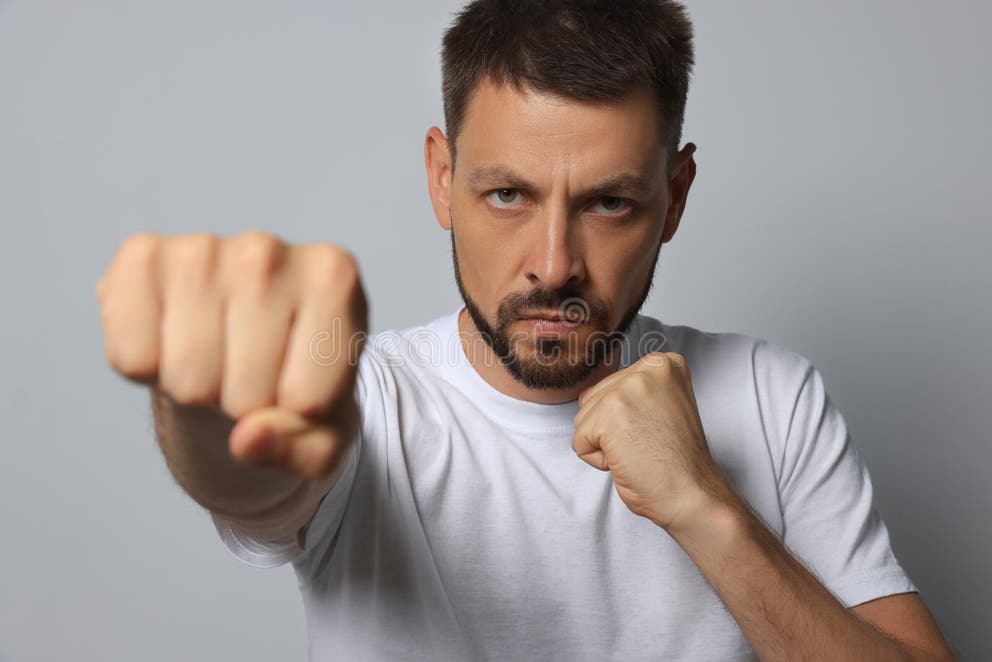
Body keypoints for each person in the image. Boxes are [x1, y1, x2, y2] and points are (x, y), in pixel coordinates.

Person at [96, 1, 957, 659]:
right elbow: (255, 481)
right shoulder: (371, 399)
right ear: (443, 178)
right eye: (508, 194)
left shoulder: (771, 398)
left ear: (675, 198)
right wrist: (202, 399)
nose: (553, 265)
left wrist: (705, 506)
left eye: (609, 202)